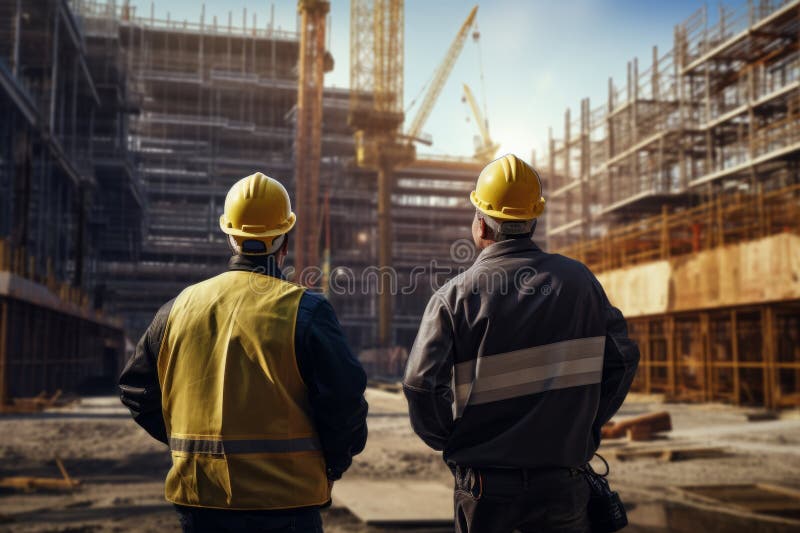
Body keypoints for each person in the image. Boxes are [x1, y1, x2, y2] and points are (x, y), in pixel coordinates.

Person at [403, 154, 640, 533]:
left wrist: (451, 441)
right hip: (563, 485)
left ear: (481, 225)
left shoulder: (455, 296)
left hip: (485, 490)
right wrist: (587, 424)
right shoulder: (579, 282)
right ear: (533, 220)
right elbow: (624, 360)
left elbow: (420, 384)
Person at [119, 172, 368, 533]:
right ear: (284, 242)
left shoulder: (178, 308)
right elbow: (345, 404)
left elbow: (135, 390)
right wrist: (332, 464)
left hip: (201, 500)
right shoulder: (306, 311)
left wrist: (189, 451)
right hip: (288, 503)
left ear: (231, 237)